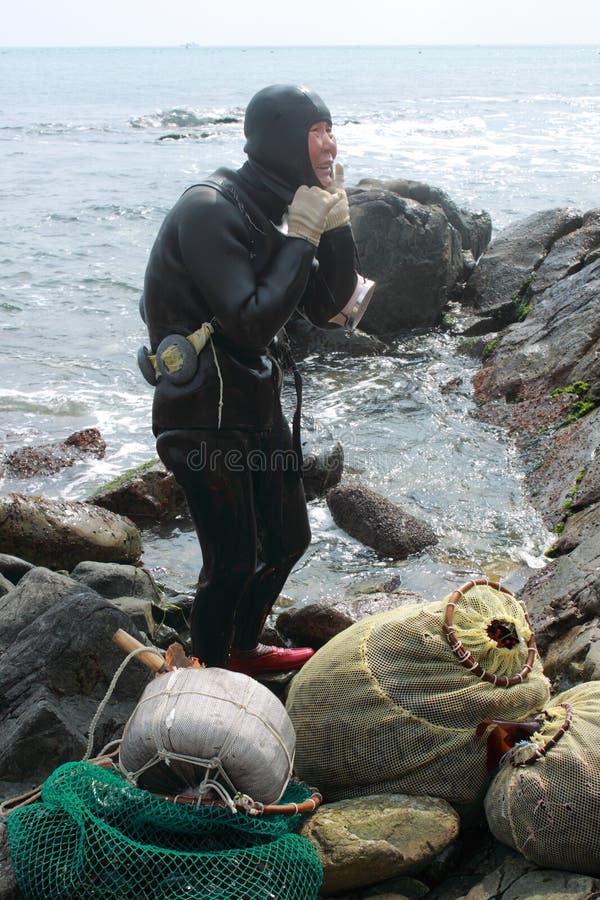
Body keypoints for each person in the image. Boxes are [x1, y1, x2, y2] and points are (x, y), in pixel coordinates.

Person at [138, 84, 372, 674]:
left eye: (331, 127)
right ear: (280, 138)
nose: (330, 141)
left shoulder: (281, 204)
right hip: (200, 415)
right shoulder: (211, 208)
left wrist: (335, 222)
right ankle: (208, 673)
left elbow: (326, 308)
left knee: (291, 538)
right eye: (316, 129)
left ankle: (242, 647)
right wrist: (301, 235)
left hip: (252, 399)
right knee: (233, 560)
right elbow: (247, 323)